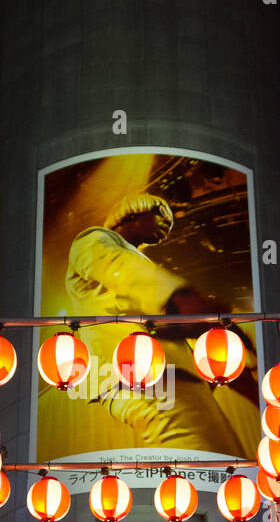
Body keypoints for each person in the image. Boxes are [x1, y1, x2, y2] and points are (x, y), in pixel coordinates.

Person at [64, 194, 260, 455]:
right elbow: (121, 268)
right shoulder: (94, 240)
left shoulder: (136, 265)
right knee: (206, 459)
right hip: (141, 374)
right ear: (132, 213)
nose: (166, 227)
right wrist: (177, 297)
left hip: (166, 373)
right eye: (160, 217)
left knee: (221, 459)